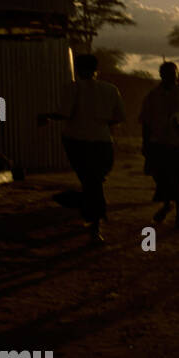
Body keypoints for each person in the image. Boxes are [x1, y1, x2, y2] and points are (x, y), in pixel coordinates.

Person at [38, 53, 126, 245]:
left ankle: (91, 221)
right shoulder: (111, 89)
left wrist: (46, 116)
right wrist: (100, 123)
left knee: (90, 182)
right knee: (95, 182)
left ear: (77, 70)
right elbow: (119, 116)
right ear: (97, 70)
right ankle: (93, 222)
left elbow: (64, 113)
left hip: (77, 141)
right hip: (103, 142)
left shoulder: (72, 88)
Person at [139, 61, 179, 228]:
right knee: (162, 179)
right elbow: (146, 121)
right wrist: (145, 144)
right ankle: (167, 204)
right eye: (167, 73)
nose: (171, 77)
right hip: (159, 143)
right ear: (161, 75)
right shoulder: (153, 97)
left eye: (173, 74)